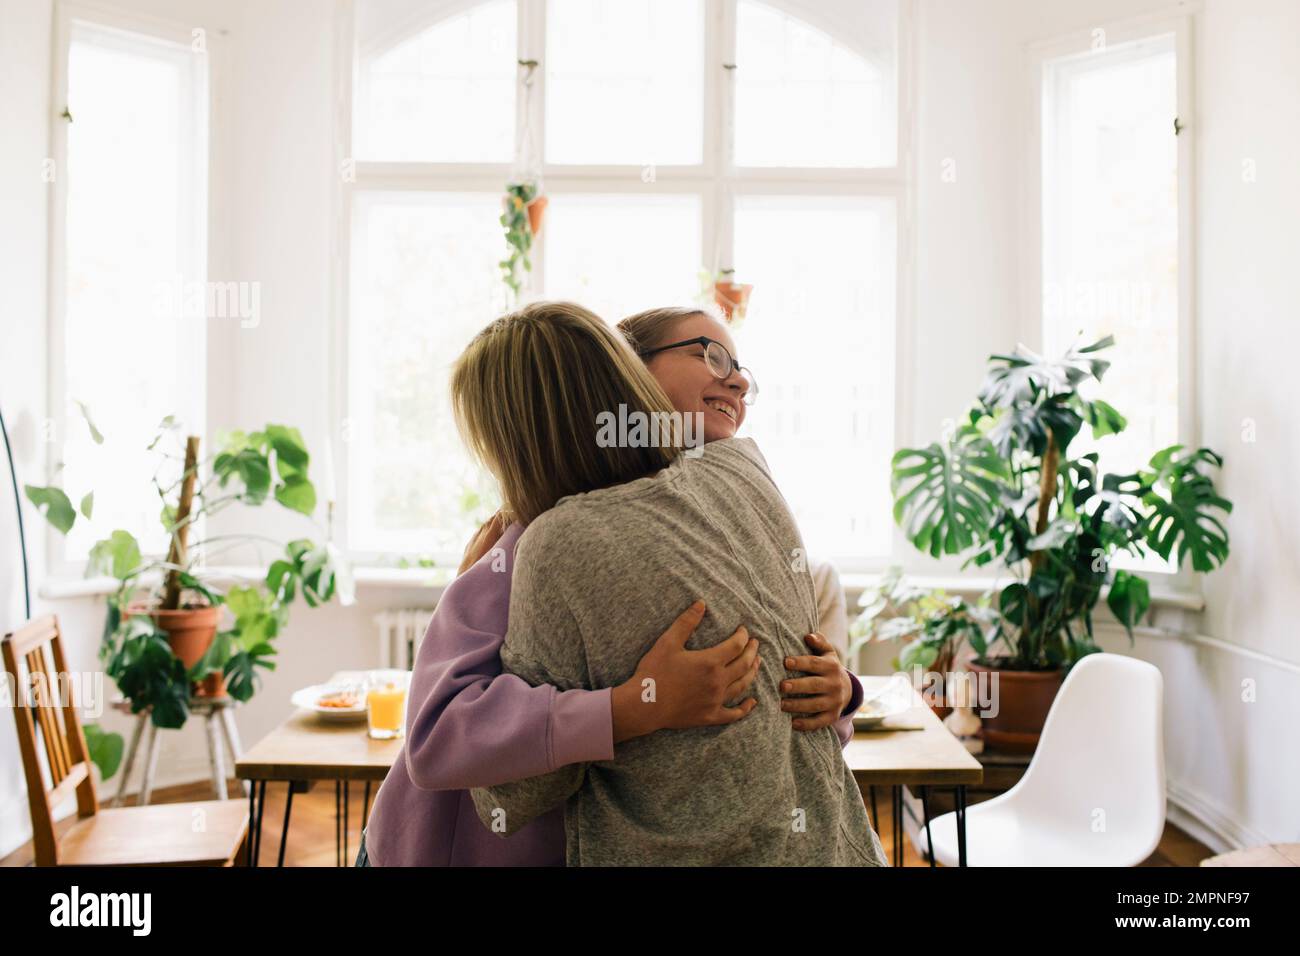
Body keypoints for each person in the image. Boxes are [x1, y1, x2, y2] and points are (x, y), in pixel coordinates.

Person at [360, 302, 866, 866]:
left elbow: (757, 702)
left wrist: (838, 694)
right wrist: (626, 708)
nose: (738, 380)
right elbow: (437, 735)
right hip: (456, 850)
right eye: (710, 354)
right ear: (629, 377)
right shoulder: (519, 548)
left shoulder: (700, 519)